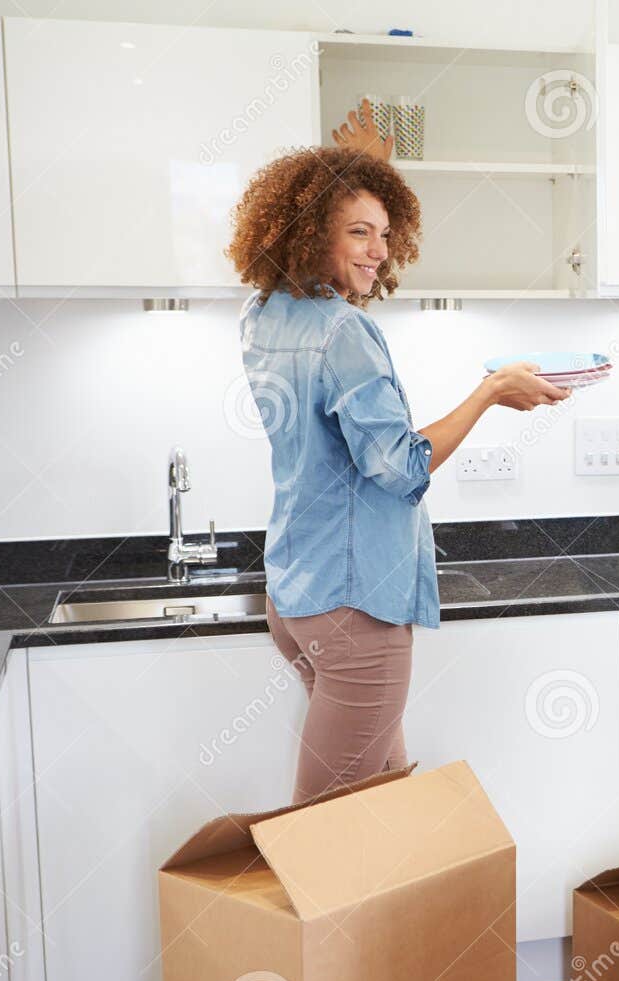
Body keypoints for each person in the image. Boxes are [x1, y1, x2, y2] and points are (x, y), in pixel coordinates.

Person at [226, 145, 568, 805]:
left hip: (297, 589)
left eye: (384, 234)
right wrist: (491, 392)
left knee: (383, 804)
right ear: (311, 231)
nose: (379, 252)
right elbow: (398, 466)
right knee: (324, 823)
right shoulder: (343, 331)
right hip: (355, 606)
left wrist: (352, 172)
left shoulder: (262, 311)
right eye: (359, 232)